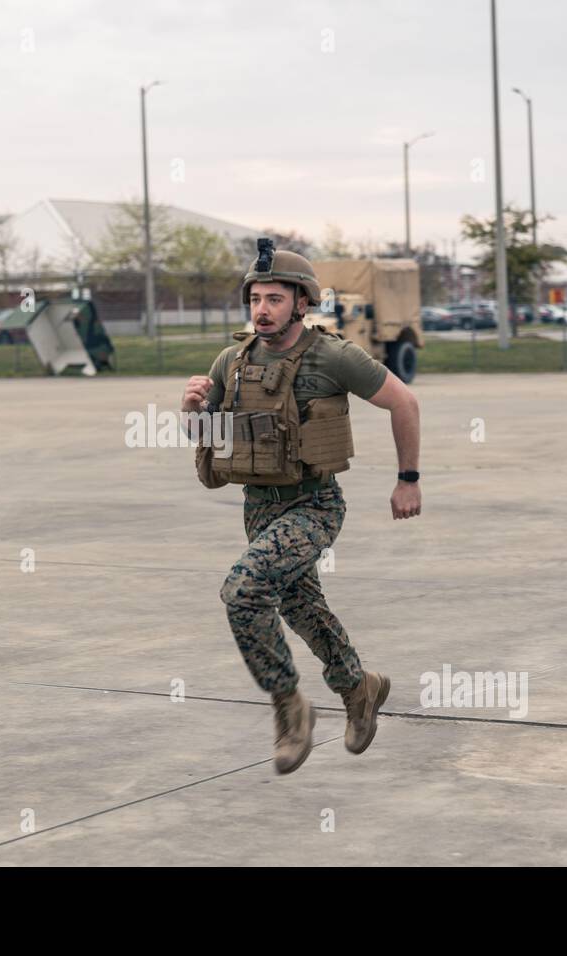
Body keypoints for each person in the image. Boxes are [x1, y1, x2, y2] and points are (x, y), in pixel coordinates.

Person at [181, 239, 422, 774]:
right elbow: (212, 442)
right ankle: (359, 688)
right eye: (255, 299)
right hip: (258, 508)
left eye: (274, 299)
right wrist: (193, 409)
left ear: (302, 303)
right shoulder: (233, 362)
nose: (261, 309)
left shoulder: (331, 357)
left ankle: (290, 709)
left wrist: (408, 478)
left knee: (243, 592)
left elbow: (404, 401)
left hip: (313, 506)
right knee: (301, 609)